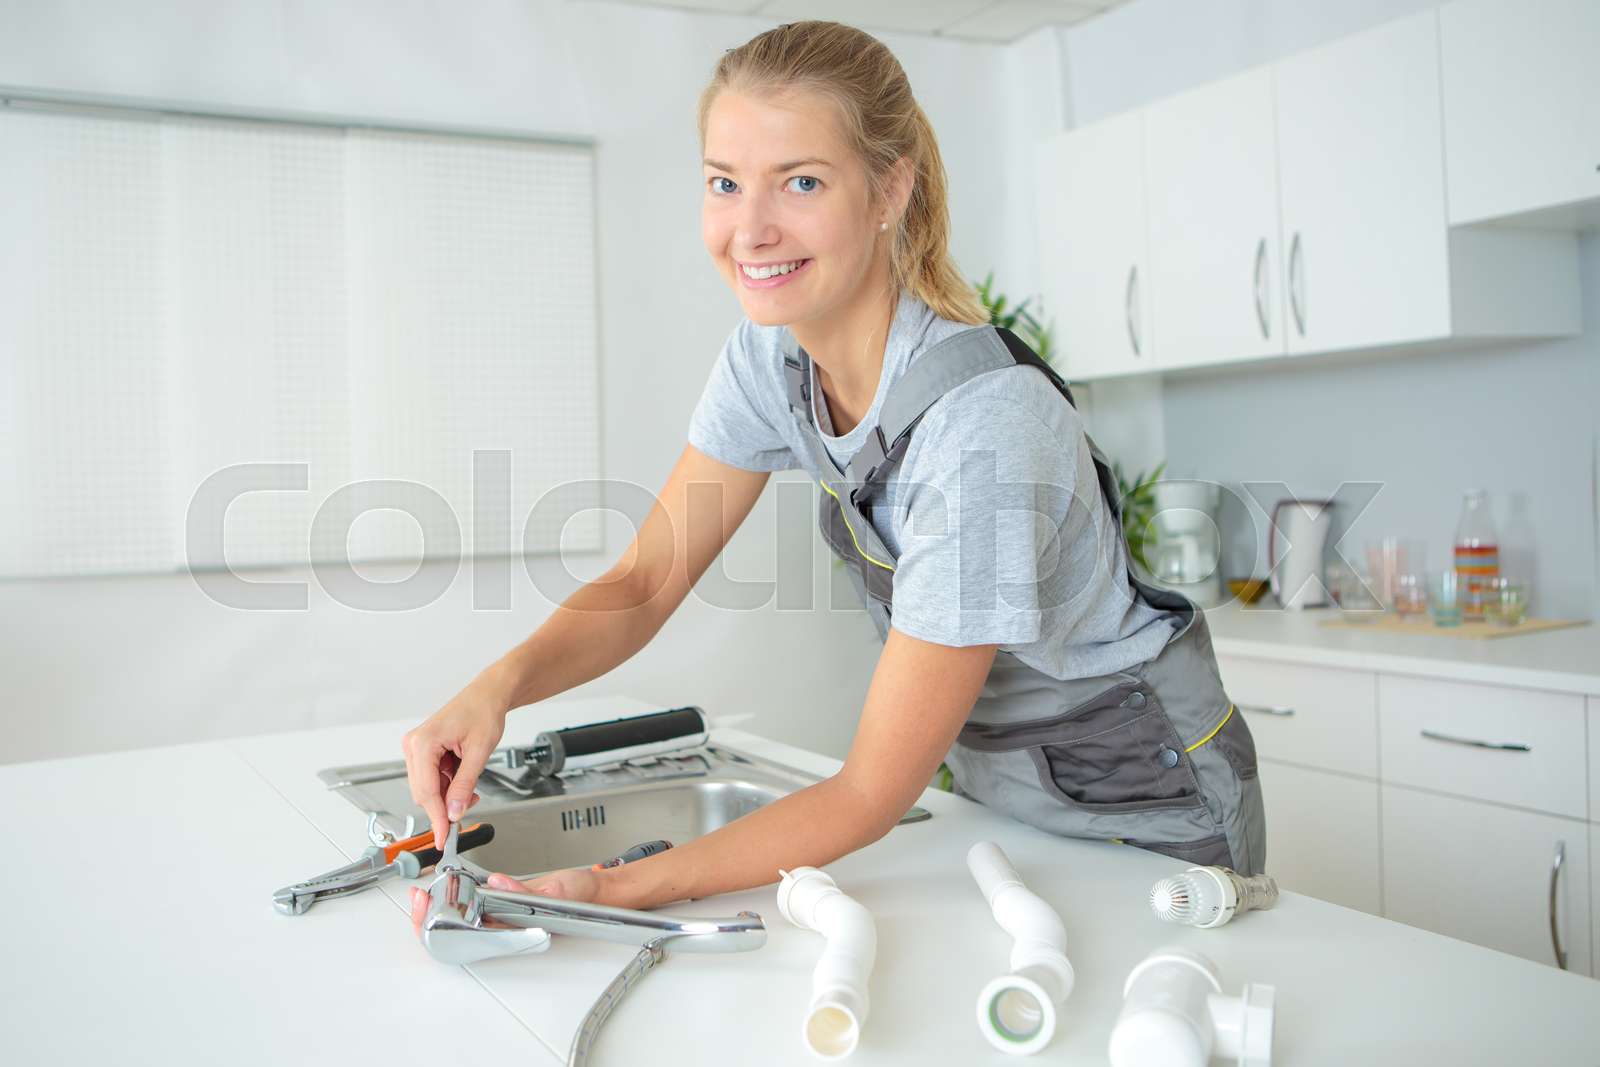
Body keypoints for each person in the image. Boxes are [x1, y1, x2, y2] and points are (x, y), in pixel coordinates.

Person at [404, 20, 1265, 931]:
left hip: (1150, 819)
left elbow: (867, 793)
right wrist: (497, 689)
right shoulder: (768, 360)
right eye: (725, 183)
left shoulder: (984, 425)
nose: (750, 229)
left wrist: (610, 887)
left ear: (890, 189)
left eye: (802, 182)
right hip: (1003, 805)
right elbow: (646, 577)